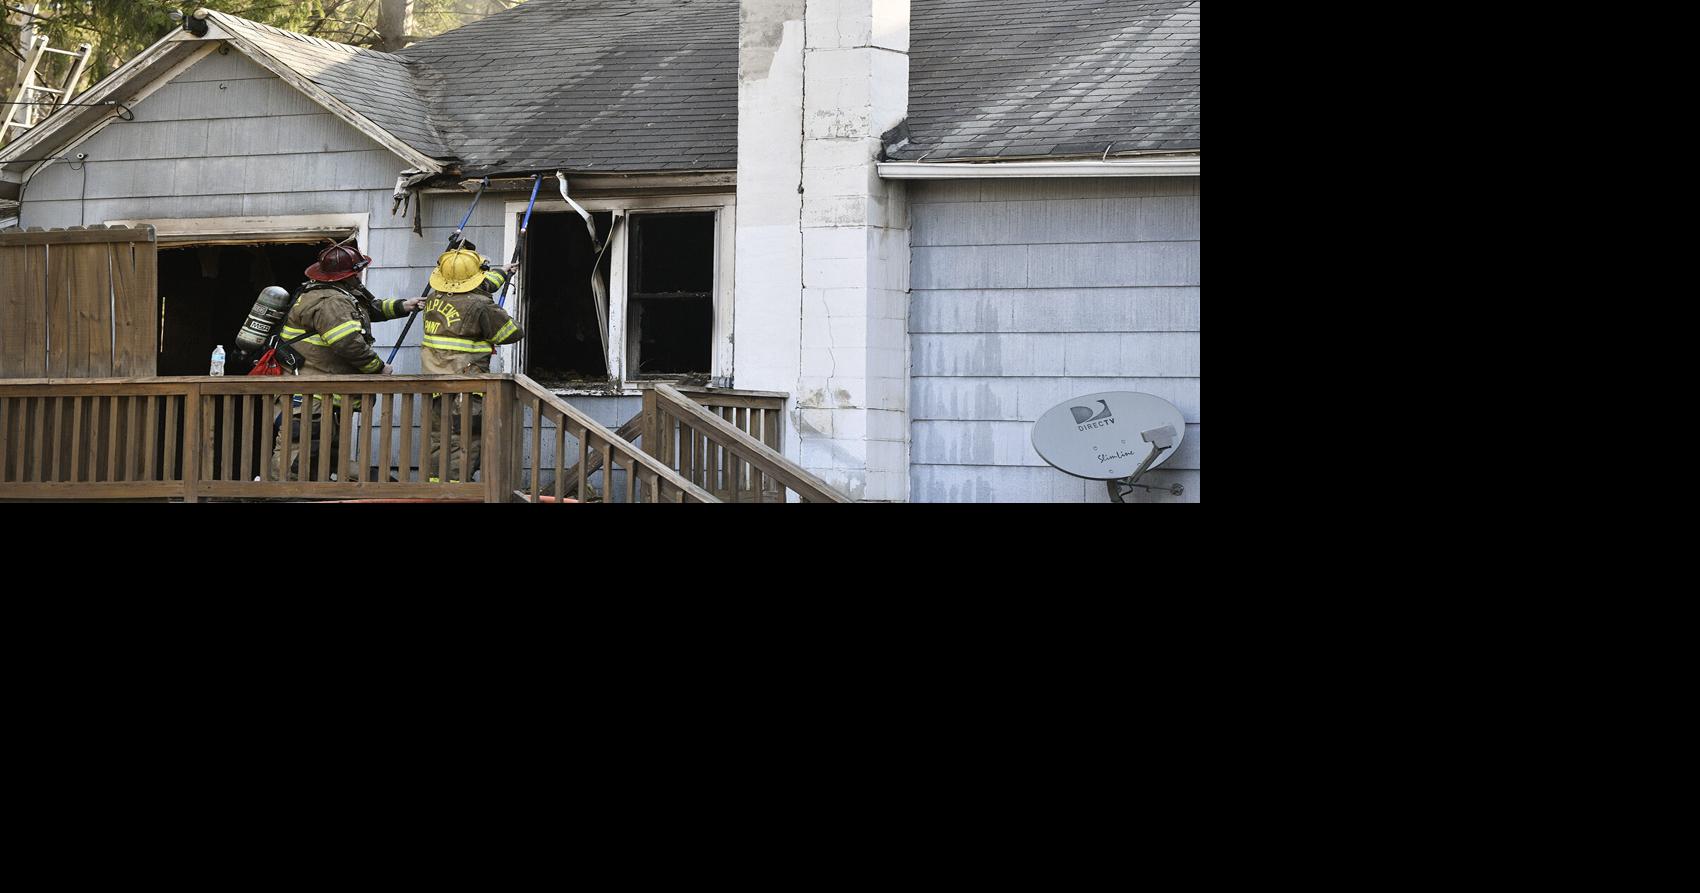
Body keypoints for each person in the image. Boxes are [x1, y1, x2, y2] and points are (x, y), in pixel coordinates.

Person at [270, 240, 424, 481]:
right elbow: (348, 343)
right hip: (311, 397)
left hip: (325, 396)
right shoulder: (331, 302)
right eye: (358, 270)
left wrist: (404, 306)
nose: (361, 274)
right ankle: (279, 495)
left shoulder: (340, 294)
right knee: (296, 456)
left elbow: (368, 309)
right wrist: (378, 368)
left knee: (322, 456)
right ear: (348, 274)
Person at [420, 247, 523, 482]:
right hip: (467, 384)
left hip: (435, 382)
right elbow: (512, 333)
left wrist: (502, 273)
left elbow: (477, 286)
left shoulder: (435, 298)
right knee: (467, 438)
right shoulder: (481, 305)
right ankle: (456, 490)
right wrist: (496, 312)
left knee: (440, 438)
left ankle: (436, 487)